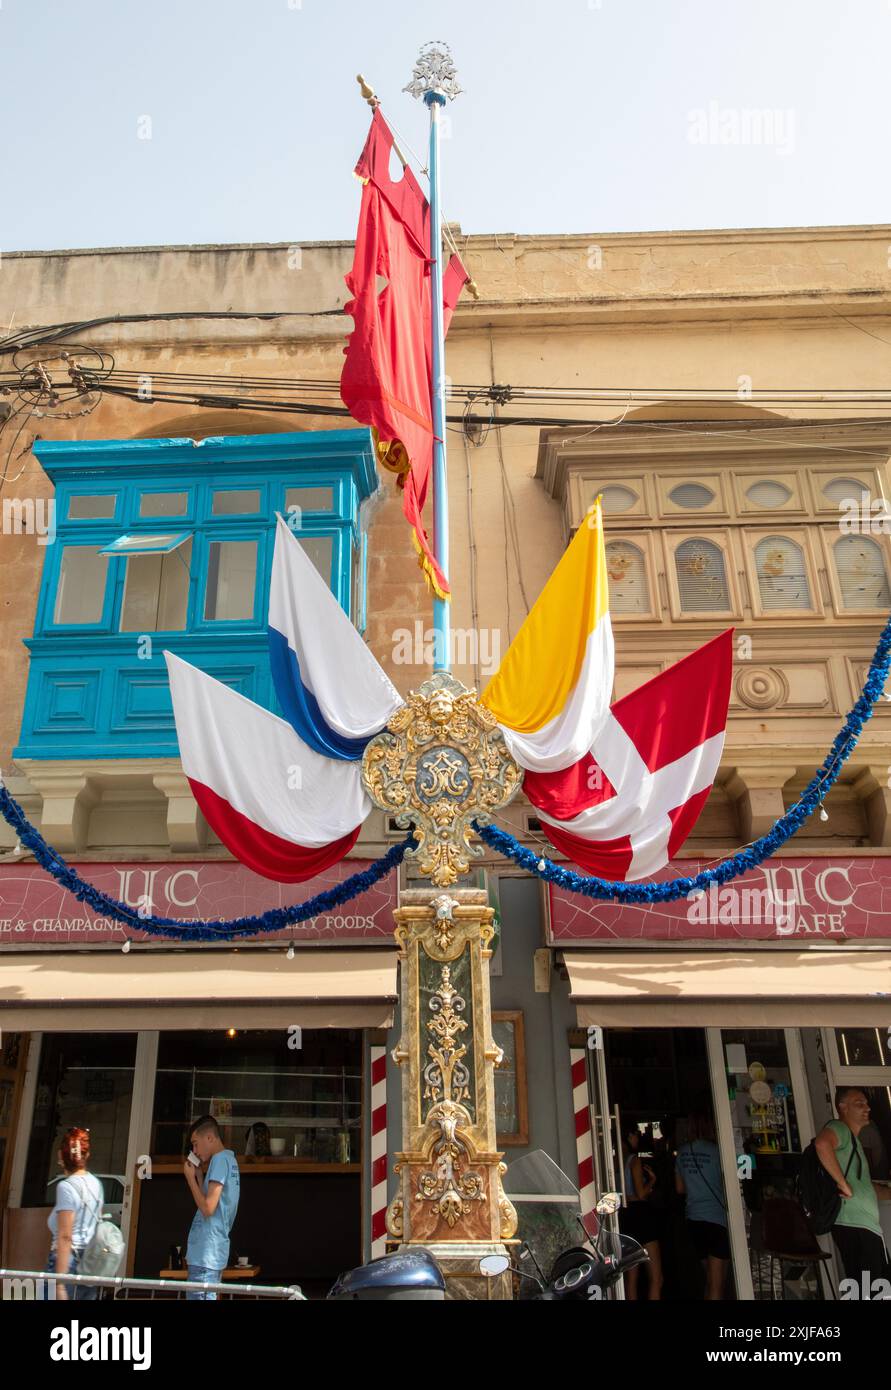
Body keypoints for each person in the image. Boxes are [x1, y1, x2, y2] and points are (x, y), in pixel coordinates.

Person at [815, 1087, 891, 1285]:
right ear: (843, 1107)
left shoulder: (853, 1143)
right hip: (857, 1225)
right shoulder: (839, 1128)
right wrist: (843, 1184)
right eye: (859, 1104)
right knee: (870, 1290)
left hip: (862, 1227)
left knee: (870, 1289)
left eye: (866, 1104)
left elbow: (865, 1187)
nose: (867, 1108)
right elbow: (822, 1144)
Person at [183, 1114, 241, 1300]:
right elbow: (213, 1205)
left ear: (210, 1137)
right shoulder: (229, 1160)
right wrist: (200, 1177)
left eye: (195, 1143)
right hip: (213, 1251)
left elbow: (208, 1208)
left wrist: (190, 1179)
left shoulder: (218, 1160)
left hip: (205, 1253)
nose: (195, 1150)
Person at [675, 1109, 730, 1300]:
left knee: (710, 1280)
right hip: (717, 1220)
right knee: (717, 1283)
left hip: (694, 1221)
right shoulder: (718, 1152)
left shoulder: (682, 1153)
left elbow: (679, 1188)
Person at [45, 1126, 103, 1301]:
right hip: (90, 1263)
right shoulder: (96, 1184)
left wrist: (60, 1282)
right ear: (86, 1155)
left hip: (66, 1261)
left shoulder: (66, 1187)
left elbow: (65, 1236)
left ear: (61, 1155)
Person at [620, 1124, 664, 1299]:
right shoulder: (634, 1160)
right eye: (636, 1135)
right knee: (656, 1278)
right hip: (641, 1215)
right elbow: (640, 1193)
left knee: (632, 1278)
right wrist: (652, 1180)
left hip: (625, 1214)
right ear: (629, 1136)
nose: (638, 1139)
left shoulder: (616, 1160)